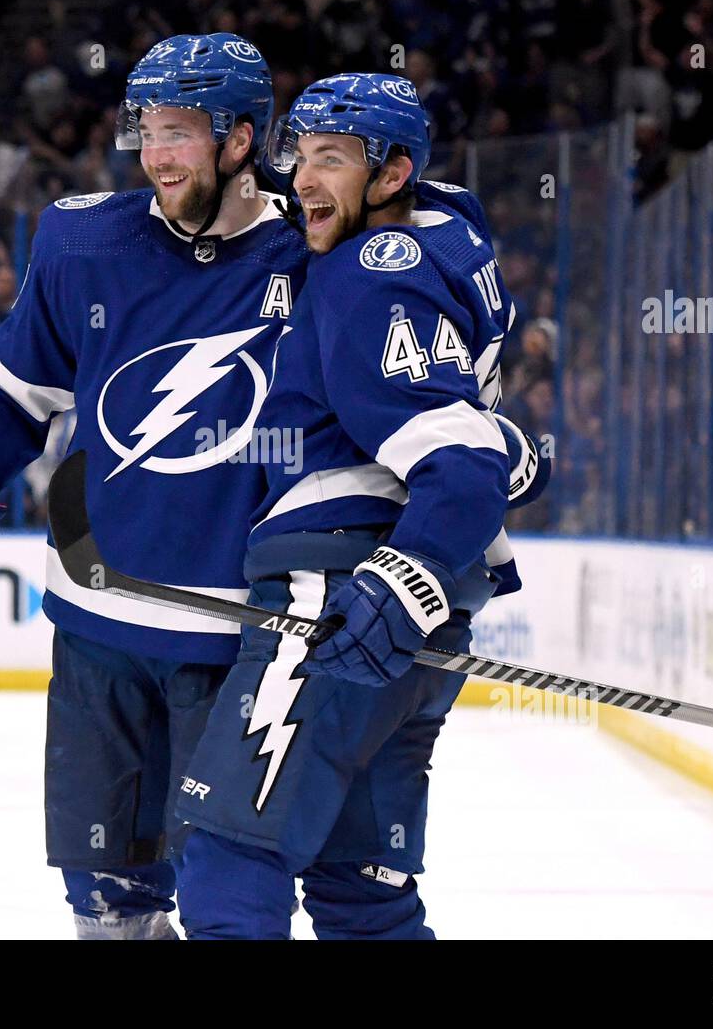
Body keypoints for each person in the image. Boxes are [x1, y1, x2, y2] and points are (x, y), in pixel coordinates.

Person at [0, 34, 309, 939]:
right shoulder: (87, 243)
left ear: (242, 139)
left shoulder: (315, 256)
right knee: (106, 906)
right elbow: (13, 388)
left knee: (230, 905)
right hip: (99, 622)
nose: (154, 154)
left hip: (244, 640)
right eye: (146, 129)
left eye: (179, 132)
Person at [174, 74, 548, 939]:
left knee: (231, 861)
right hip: (416, 631)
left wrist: (401, 578)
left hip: (334, 603)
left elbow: (456, 462)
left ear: (390, 175)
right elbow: (476, 438)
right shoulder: (448, 239)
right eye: (298, 156)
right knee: (363, 899)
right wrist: (506, 453)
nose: (302, 179)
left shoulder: (365, 277)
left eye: (330, 159)